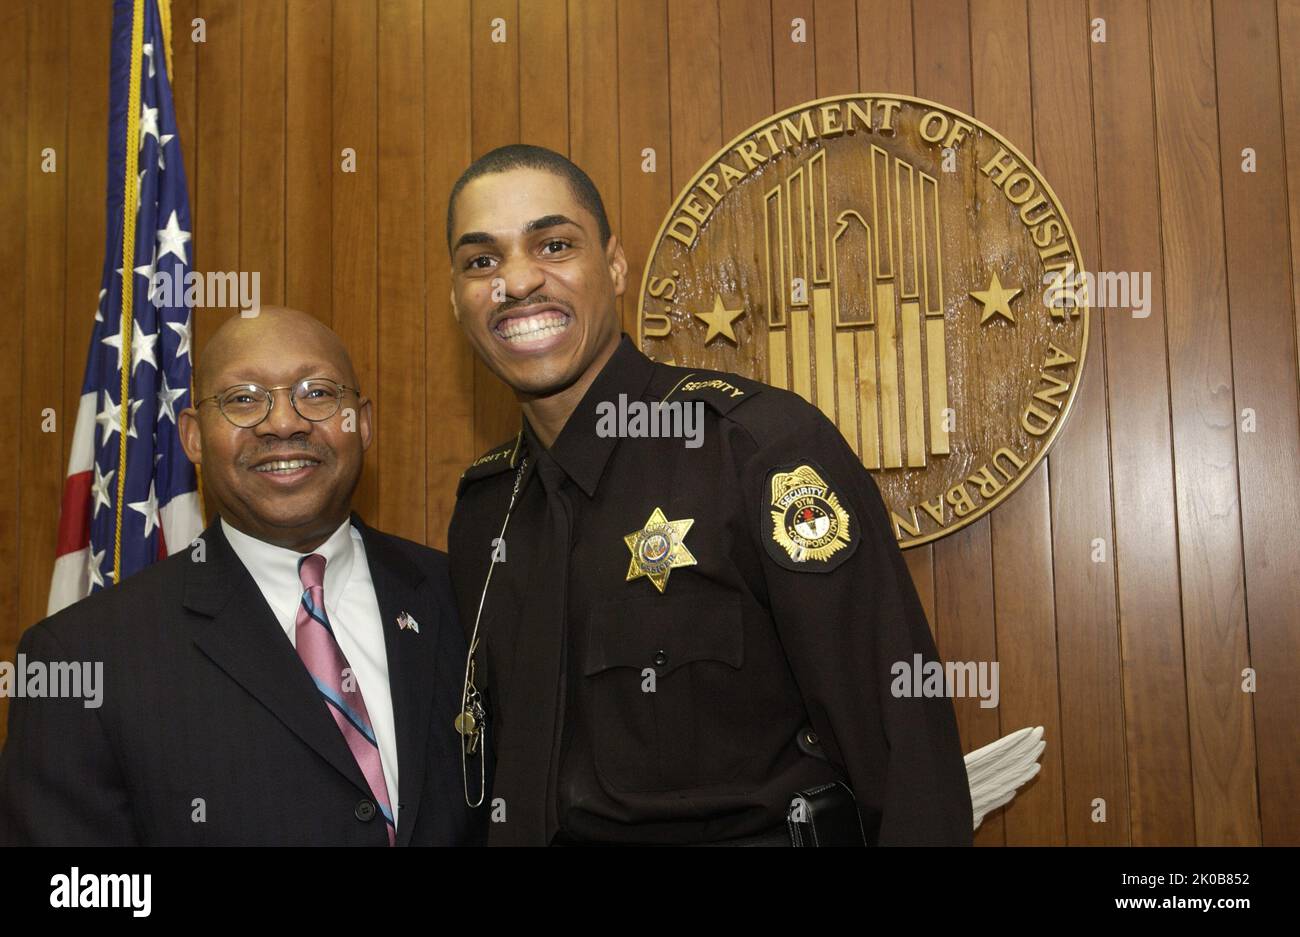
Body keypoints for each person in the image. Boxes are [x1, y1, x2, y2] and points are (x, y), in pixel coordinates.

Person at [445, 144, 974, 845]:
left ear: (615, 265)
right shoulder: (485, 509)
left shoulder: (755, 450)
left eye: (554, 244)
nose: (516, 280)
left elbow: (908, 763)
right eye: (481, 260)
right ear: (456, 299)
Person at [0, 307, 482, 846]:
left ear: (362, 423)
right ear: (194, 438)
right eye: (244, 399)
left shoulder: (465, 597)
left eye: (318, 392)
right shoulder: (81, 654)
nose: (283, 422)